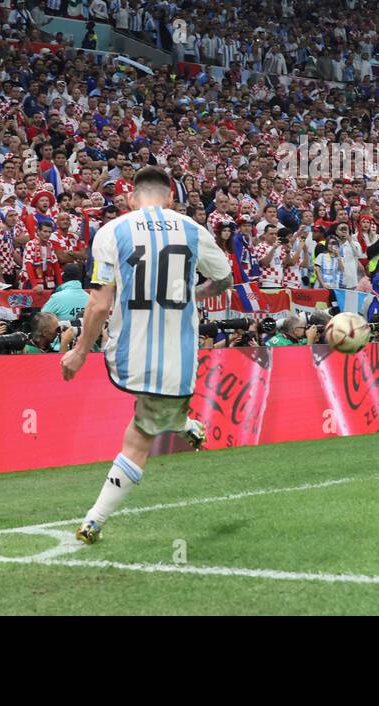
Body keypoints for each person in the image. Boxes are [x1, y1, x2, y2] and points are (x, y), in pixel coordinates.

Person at [61, 166, 233, 546]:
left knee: (142, 429)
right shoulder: (192, 229)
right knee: (142, 434)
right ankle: (178, 423)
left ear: (130, 199)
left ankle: (94, 519)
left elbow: (99, 304)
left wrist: (78, 352)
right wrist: (193, 293)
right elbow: (224, 280)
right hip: (178, 358)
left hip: (125, 350)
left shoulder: (112, 231)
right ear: (171, 198)